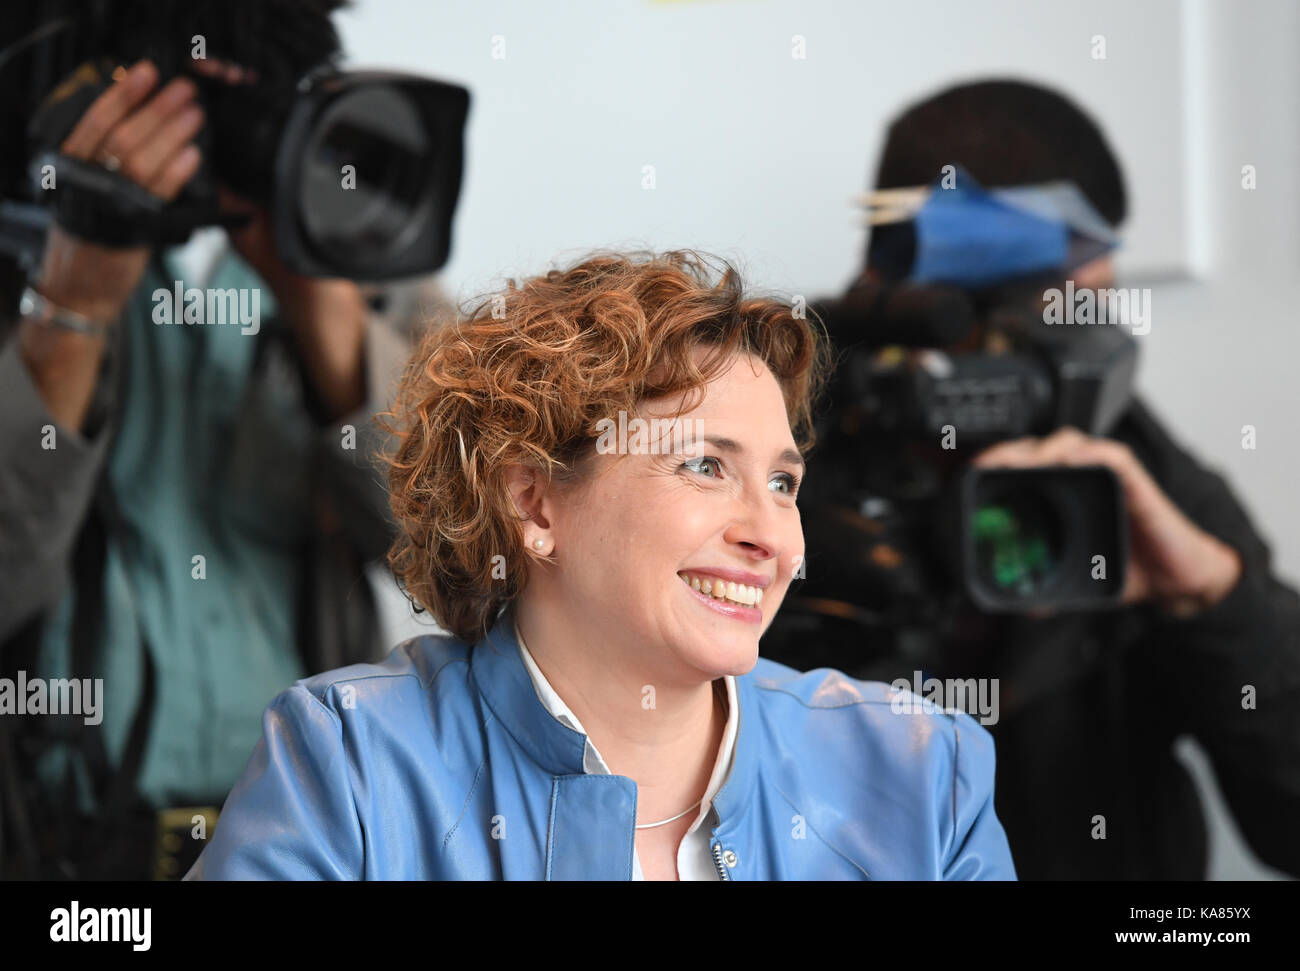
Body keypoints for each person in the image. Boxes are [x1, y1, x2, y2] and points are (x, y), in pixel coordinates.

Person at [185, 250, 1018, 880]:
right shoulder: (347, 767)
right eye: (703, 464)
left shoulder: (921, 772)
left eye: (782, 480)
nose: (772, 536)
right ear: (537, 505)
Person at [767, 79, 1300, 879]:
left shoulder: (1128, 472)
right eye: (1065, 309)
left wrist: (1217, 603)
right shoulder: (771, 456)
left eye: (1095, 311)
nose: (1092, 347)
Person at [0, 1, 435, 879]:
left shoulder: (375, 253)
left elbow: (464, 554)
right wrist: (70, 306)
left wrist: (325, 294)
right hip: (64, 863)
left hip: (318, 845)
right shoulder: (23, 264)